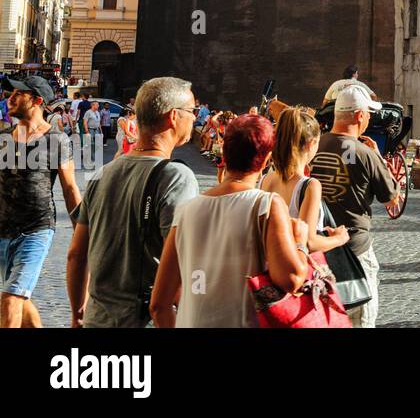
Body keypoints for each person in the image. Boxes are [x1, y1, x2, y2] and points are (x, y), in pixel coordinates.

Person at [67, 77, 200, 328]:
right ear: (173, 117)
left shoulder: (103, 173)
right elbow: (183, 263)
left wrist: (77, 314)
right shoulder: (176, 177)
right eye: (192, 111)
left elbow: (76, 255)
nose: (195, 118)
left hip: (97, 319)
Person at [152, 114, 310, 327]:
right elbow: (291, 278)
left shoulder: (185, 211)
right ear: (266, 159)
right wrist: (299, 241)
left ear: (224, 152)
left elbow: (159, 305)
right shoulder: (266, 204)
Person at [308, 83, 400, 328]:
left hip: (317, 253)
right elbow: (391, 197)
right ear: (360, 115)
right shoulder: (364, 152)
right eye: (369, 113)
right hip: (355, 251)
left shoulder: (313, 146)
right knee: (359, 321)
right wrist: (378, 157)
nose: (370, 118)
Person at [0, 76, 80, 328]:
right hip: (2, 230)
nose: (9, 98)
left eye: (17, 94)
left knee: (11, 298)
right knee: (22, 298)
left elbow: (69, 188)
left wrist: (82, 232)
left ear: (37, 101)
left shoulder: (56, 140)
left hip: (36, 230)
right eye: (10, 93)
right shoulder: (3, 136)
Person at [260, 106, 351, 254]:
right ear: (311, 144)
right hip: (298, 266)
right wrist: (339, 239)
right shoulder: (310, 185)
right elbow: (309, 241)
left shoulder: (265, 180)